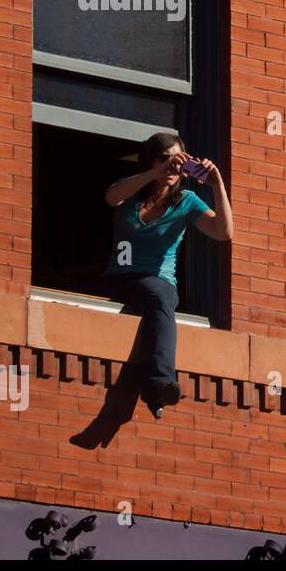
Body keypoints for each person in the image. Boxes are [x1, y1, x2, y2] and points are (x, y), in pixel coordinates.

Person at [103, 132, 233, 419]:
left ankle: (160, 384)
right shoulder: (132, 192)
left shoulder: (186, 201)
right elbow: (112, 196)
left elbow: (223, 233)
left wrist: (217, 185)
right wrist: (156, 172)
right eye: (165, 158)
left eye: (179, 160)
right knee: (153, 300)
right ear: (151, 161)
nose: (173, 166)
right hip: (120, 278)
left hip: (157, 282)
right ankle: (155, 388)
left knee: (159, 297)